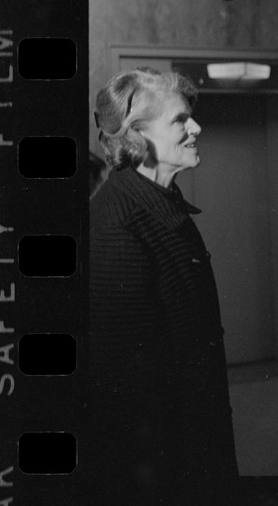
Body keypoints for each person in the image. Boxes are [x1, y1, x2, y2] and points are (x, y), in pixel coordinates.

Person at [87, 68, 238, 504]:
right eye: (179, 120)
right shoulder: (117, 223)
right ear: (137, 135)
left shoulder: (161, 202)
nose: (196, 127)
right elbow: (130, 394)